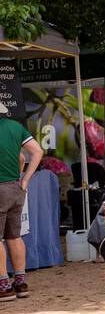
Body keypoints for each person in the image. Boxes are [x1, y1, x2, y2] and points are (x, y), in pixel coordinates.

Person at [0, 100, 44, 302]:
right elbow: (35, 152)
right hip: (16, 188)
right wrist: (24, 178)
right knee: (14, 236)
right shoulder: (15, 127)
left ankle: (3, 285)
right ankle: (20, 282)